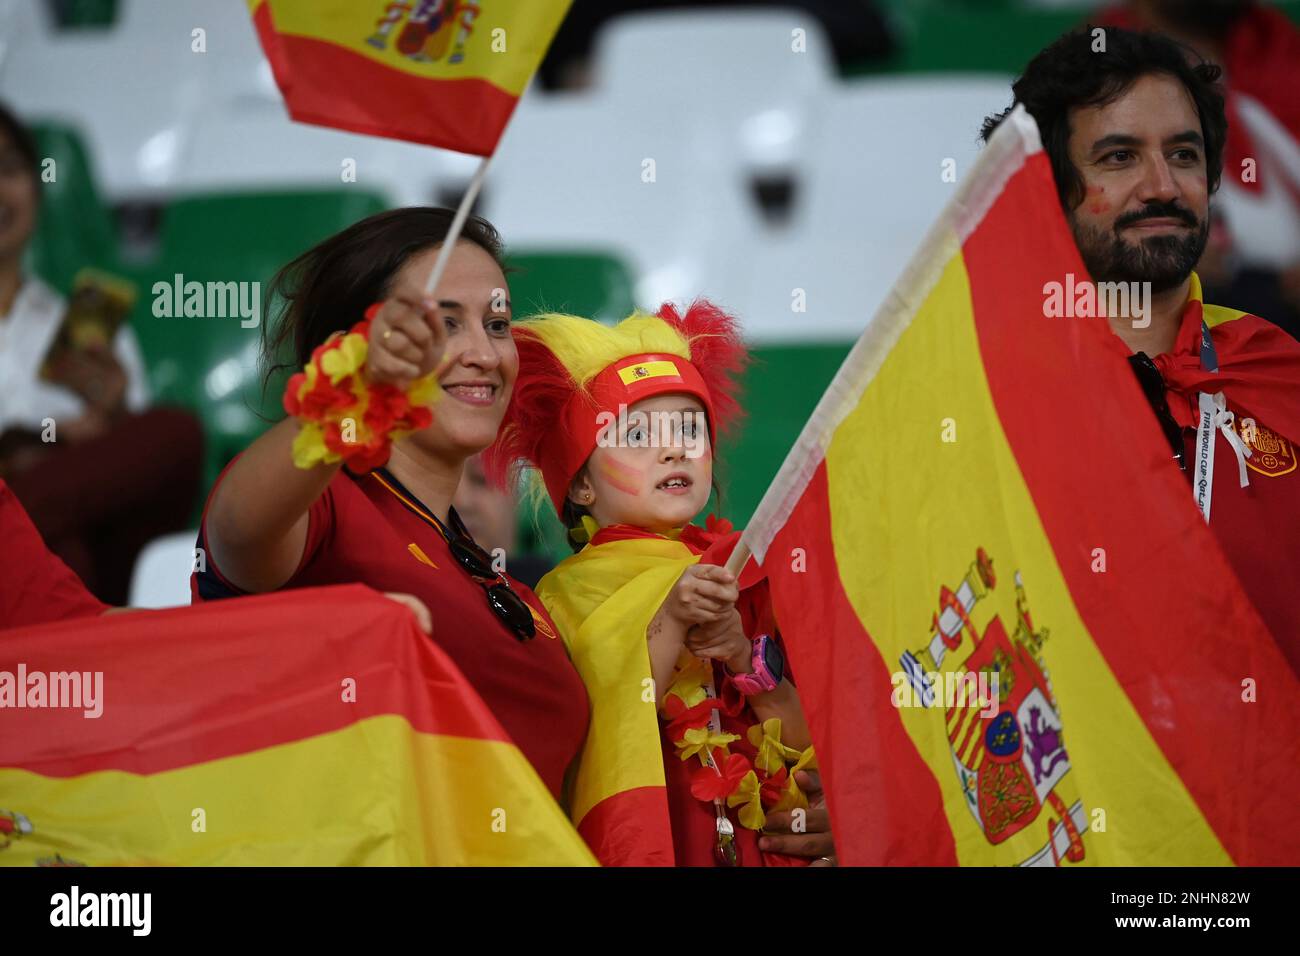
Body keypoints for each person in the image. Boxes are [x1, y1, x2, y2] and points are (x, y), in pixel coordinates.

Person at [981, 26, 1300, 668]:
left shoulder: (1278, 368)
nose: (1161, 186)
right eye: (1119, 157)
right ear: (1045, 190)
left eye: (1183, 155)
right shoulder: (977, 395)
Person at [484, 299, 832, 866]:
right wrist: (671, 615)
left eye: (689, 429)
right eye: (637, 435)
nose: (674, 448)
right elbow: (603, 717)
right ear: (581, 487)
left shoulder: (743, 571)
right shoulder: (565, 593)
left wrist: (743, 657)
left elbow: (802, 743)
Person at [0, 101, 202, 605]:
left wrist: (112, 416)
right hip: (65, 550)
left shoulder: (84, 320)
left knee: (175, 430)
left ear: (36, 190)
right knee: (63, 552)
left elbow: (134, 465)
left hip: (79, 508)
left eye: (8, 169)